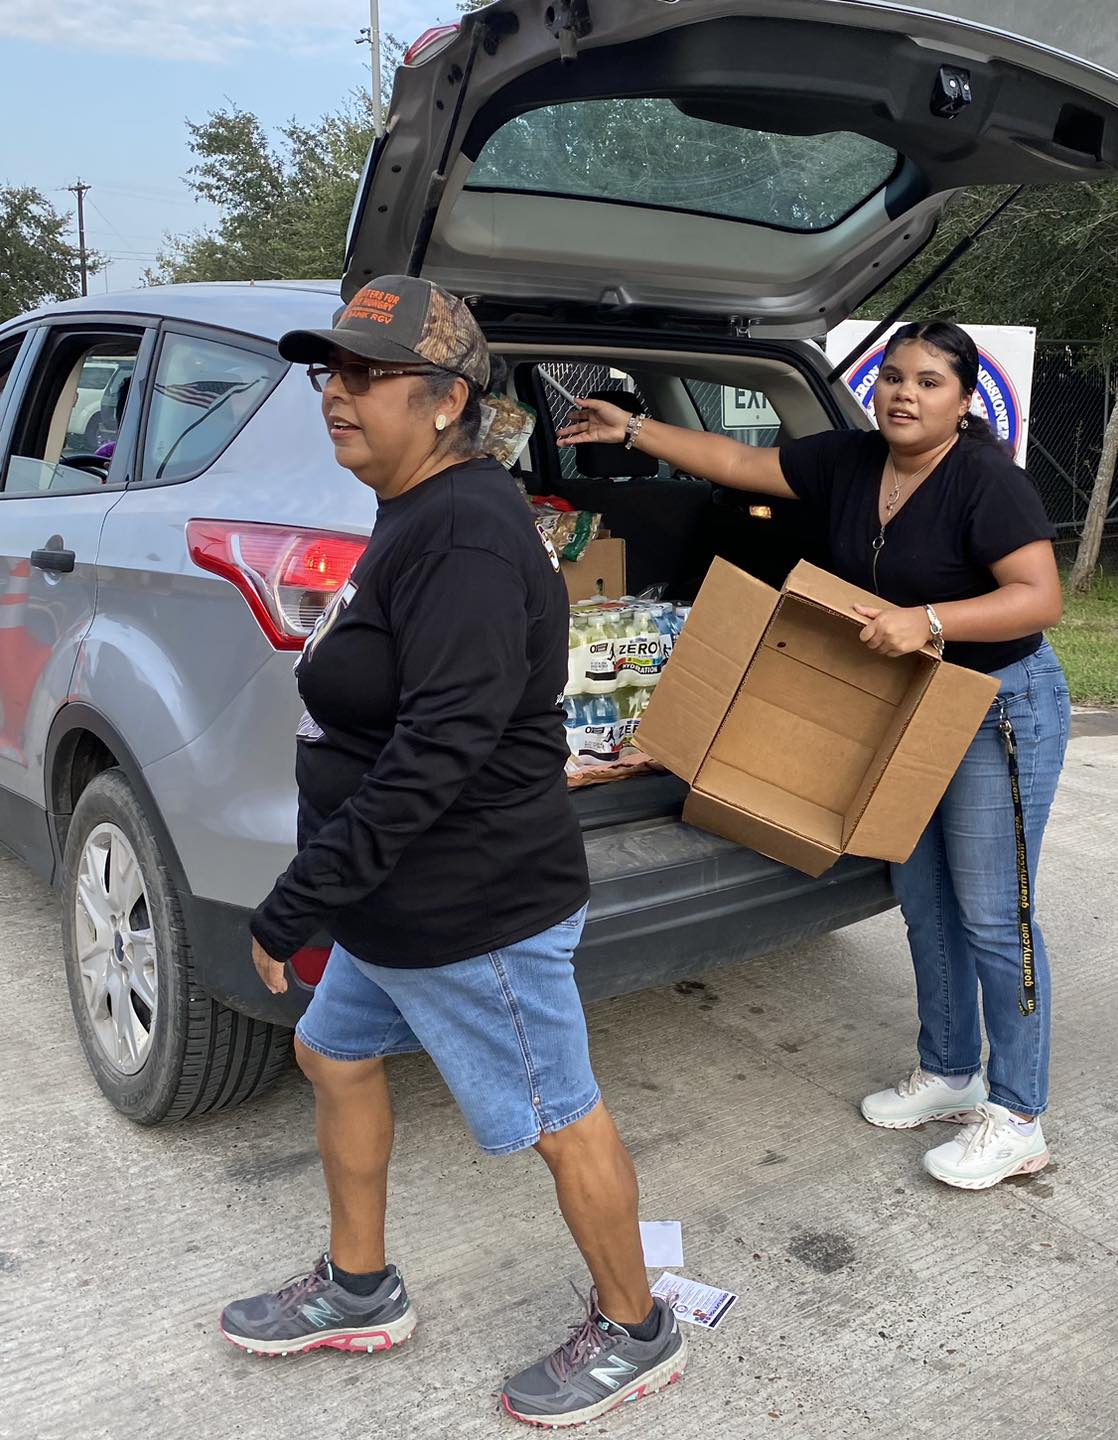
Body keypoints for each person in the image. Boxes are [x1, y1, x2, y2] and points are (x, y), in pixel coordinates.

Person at [220, 276, 686, 1426]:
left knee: (556, 1111)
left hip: (472, 905)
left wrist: (297, 899)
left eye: (365, 375)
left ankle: (638, 1329)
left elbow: (437, 756)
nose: (336, 393)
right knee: (332, 1057)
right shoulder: (415, 511)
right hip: (394, 900)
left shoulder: (468, 534)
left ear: (443, 401)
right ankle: (358, 1286)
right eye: (330, 371)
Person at [560, 320, 1069, 1191]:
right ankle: (949, 1072)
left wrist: (932, 620)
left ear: (961, 400)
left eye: (930, 382)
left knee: (993, 914)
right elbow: (739, 464)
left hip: (998, 707)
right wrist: (633, 431)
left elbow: (1039, 597)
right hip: (909, 705)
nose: (905, 394)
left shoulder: (986, 482)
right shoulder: (851, 460)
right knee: (922, 894)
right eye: (895, 377)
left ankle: (1018, 1114)